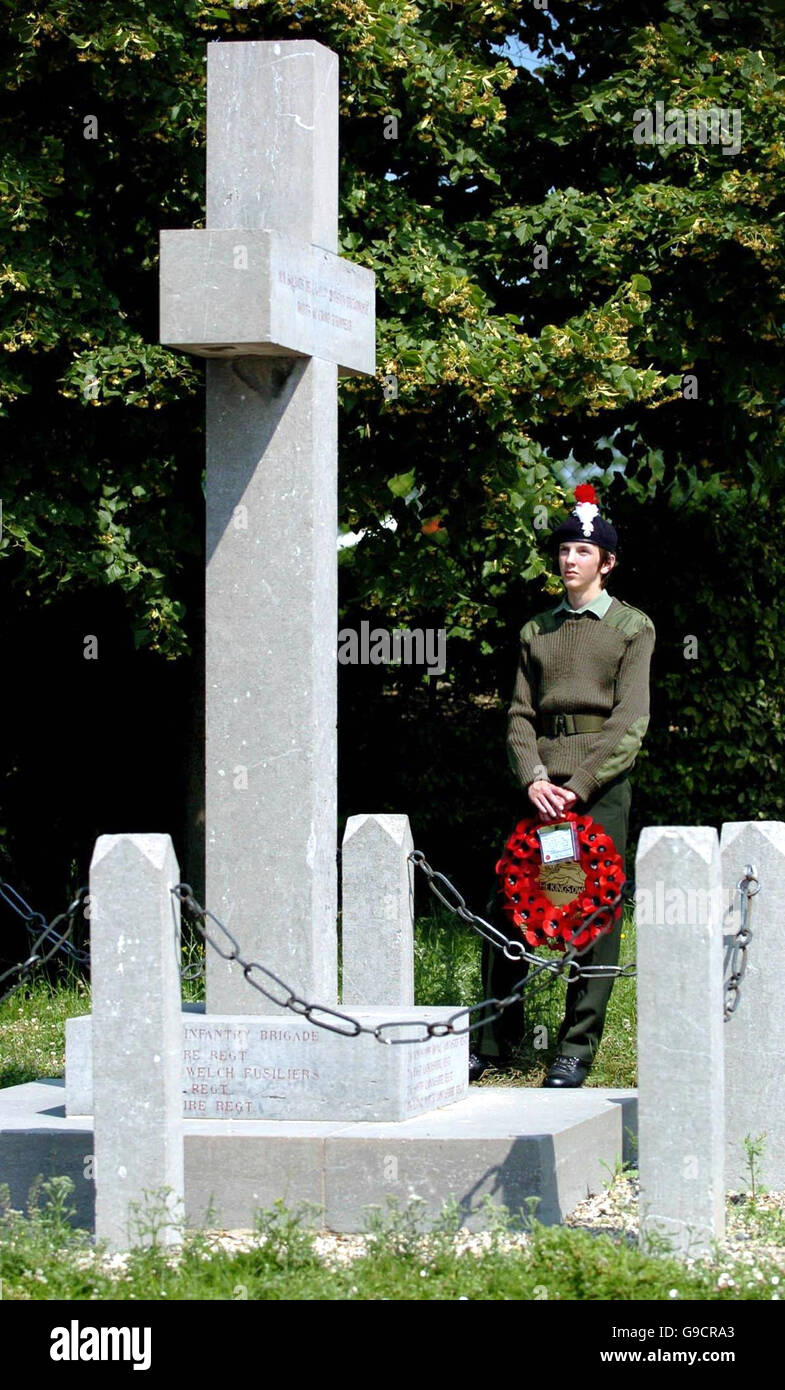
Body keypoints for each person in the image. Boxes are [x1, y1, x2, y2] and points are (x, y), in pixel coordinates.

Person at [471, 484, 655, 1087]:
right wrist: (533, 777)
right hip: (539, 788)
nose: (570, 559)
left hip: (598, 787)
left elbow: (631, 722)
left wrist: (577, 785)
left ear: (607, 562)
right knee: (510, 904)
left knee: (592, 911)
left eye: (583, 550)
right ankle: (496, 1040)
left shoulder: (632, 627)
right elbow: (519, 715)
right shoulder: (536, 631)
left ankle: (575, 1048)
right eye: (564, 550)